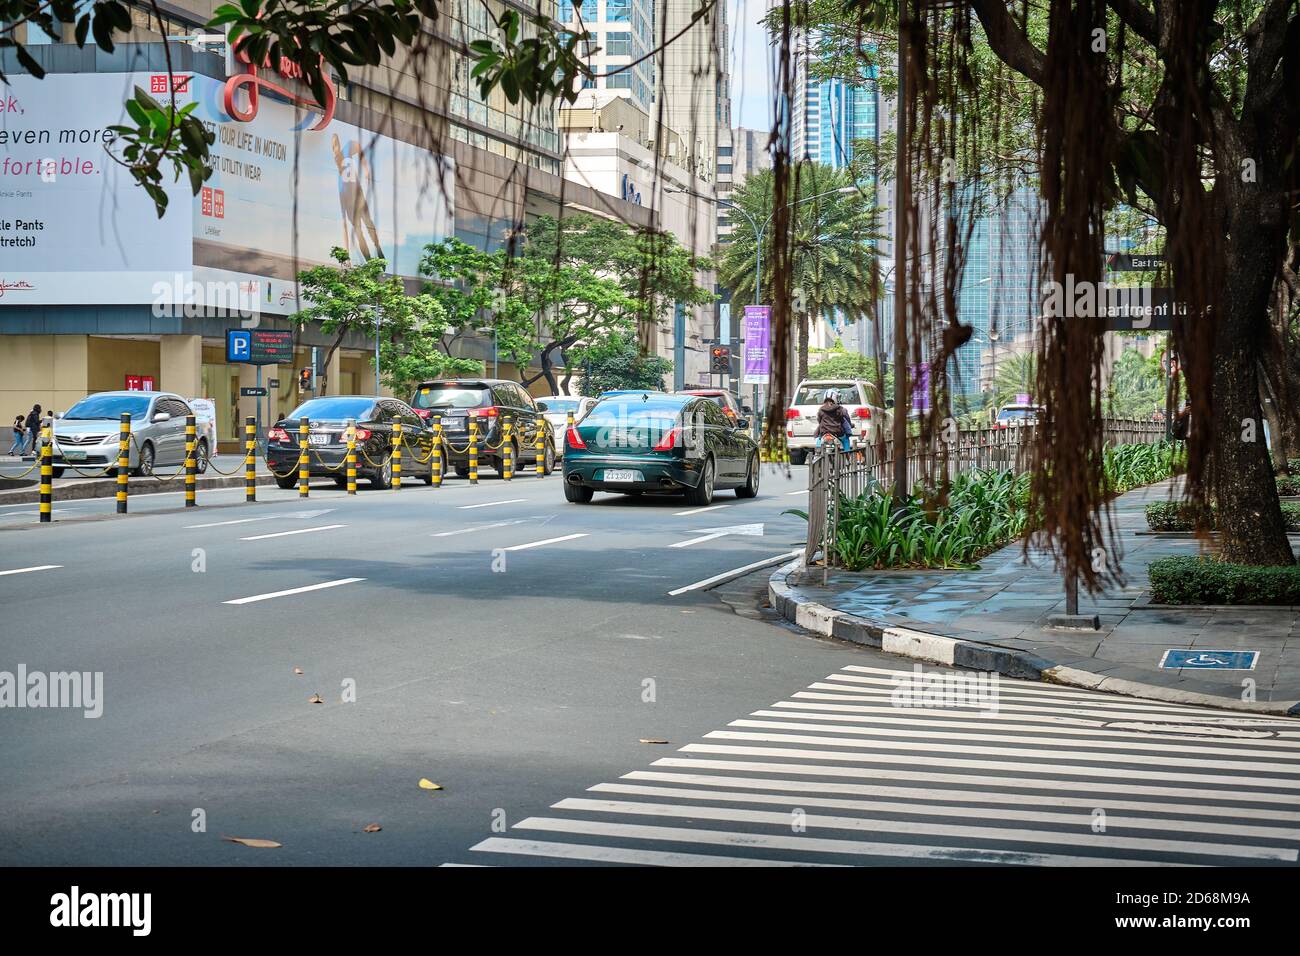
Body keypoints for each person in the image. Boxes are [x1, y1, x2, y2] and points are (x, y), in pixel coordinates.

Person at [815, 389, 852, 455]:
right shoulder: (840, 409)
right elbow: (845, 418)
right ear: (836, 398)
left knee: (818, 438)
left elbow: (819, 420)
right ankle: (847, 455)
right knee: (846, 439)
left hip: (824, 433)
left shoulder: (821, 409)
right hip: (838, 433)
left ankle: (817, 453)